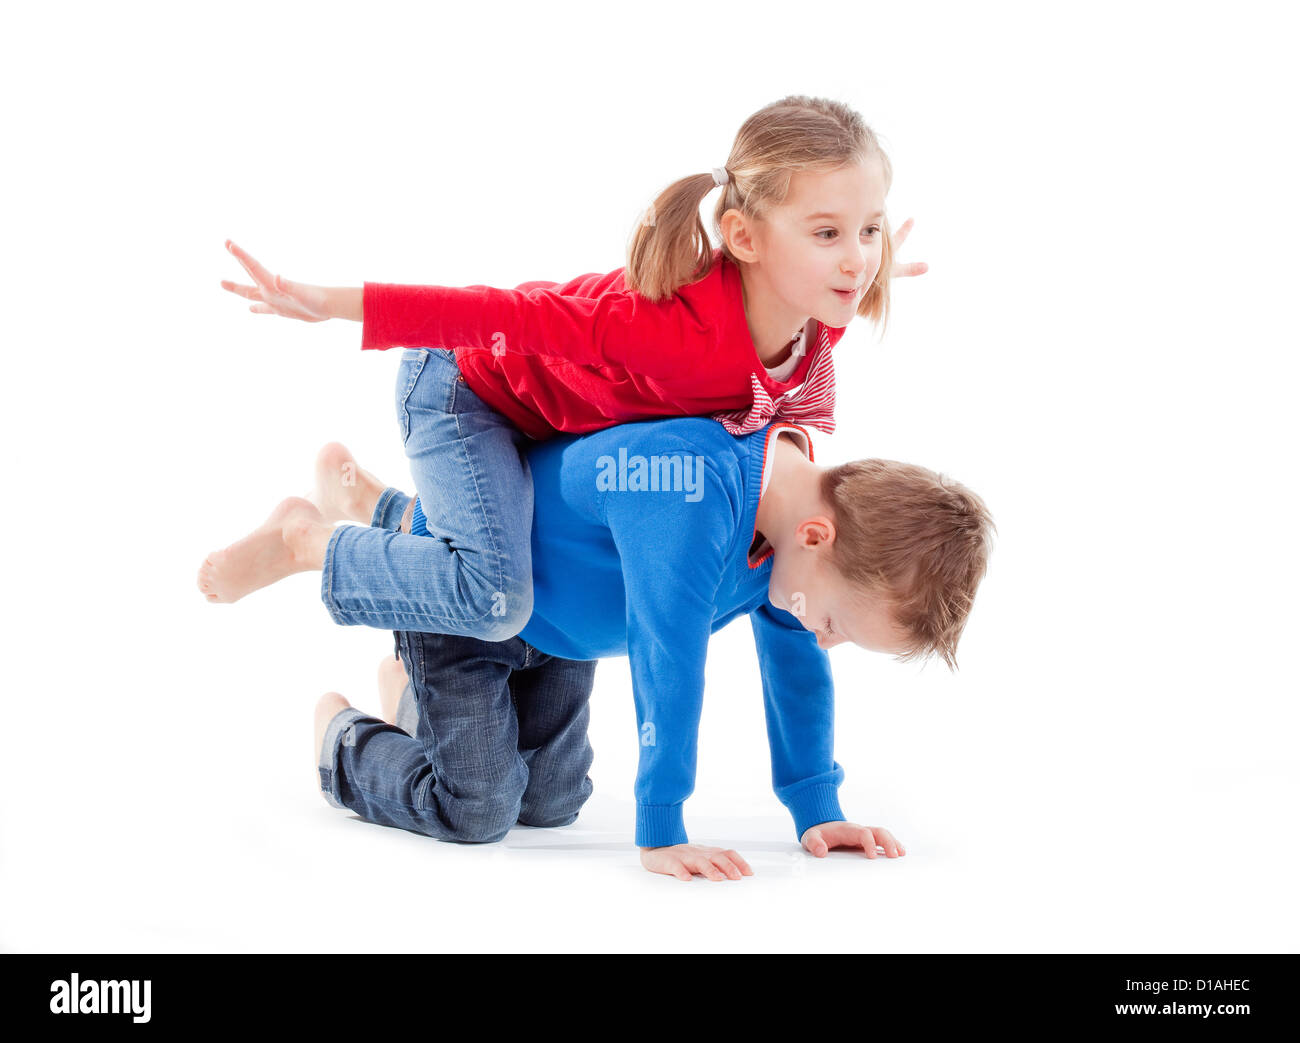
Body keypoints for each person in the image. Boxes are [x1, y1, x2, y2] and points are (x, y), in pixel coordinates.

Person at [198, 94, 928, 641]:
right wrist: (329, 302)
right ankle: (310, 540)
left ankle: (374, 502)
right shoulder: (663, 331)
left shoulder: (814, 315)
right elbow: (501, 316)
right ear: (742, 237)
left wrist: (867, 262)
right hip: (466, 389)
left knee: (524, 554)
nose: (858, 259)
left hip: (553, 425)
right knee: (496, 598)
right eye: (828, 233)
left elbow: (844, 287)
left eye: (868, 231)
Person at [295, 406, 994, 880]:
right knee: (479, 809)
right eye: (835, 623)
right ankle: (345, 735)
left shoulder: (788, 543)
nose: (824, 639)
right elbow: (670, 655)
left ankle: (409, 681)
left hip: (560, 639)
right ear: (819, 537)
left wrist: (819, 806)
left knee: (552, 802)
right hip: (468, 611)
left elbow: (797, 667)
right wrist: (661, 821)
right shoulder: (691, 493)